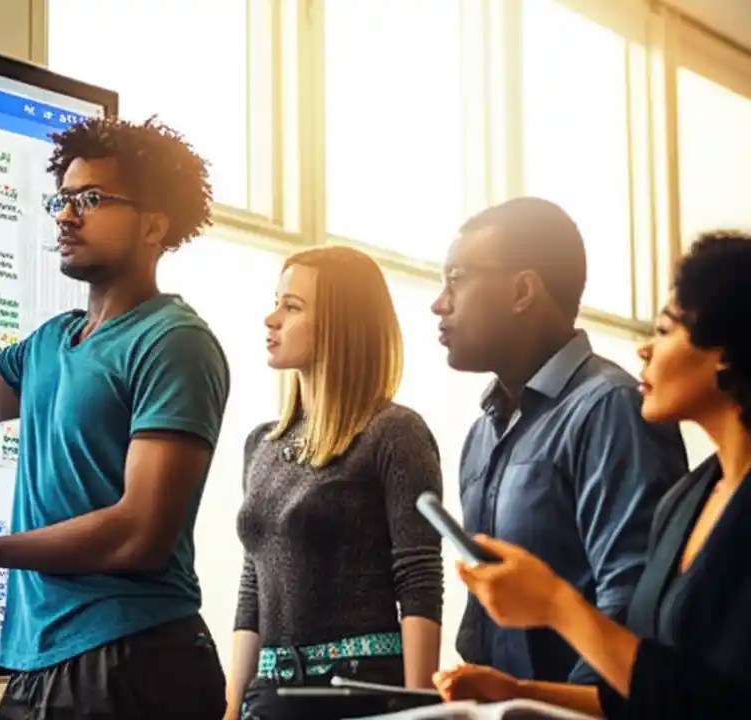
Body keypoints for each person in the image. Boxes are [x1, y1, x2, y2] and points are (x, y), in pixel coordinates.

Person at [0, 117, 231, 719]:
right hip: (43, 662)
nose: (66, 215)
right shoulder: (51, 344)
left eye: (93, 199)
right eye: (64, 199)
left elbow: (140, 532)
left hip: (134, 659)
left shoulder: (173, 342)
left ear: (154, 225)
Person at [434, 230, 751, 718]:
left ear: (726, 350)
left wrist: (557, 606)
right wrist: (517, 693)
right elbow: (646, 690)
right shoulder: (687, 500)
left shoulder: (607, 406)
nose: (644, 351)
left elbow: (713, 701)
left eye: (665, 330)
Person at [429, 197, 689, 684]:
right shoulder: (483, 433)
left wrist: (558, 706)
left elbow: (631, 598)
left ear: (523, 290)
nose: (439, 303)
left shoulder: (611, 407)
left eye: (456, 279)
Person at [226, 246, 445, 720]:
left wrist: (420, 711)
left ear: (341, 325)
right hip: (268, 695)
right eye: (275, 301)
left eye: (292, 306)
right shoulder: (260, 444)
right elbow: (252, 588)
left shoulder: (394, 433)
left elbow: (419, 577)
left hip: (362, 690)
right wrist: (230, 706)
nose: (271, 318)